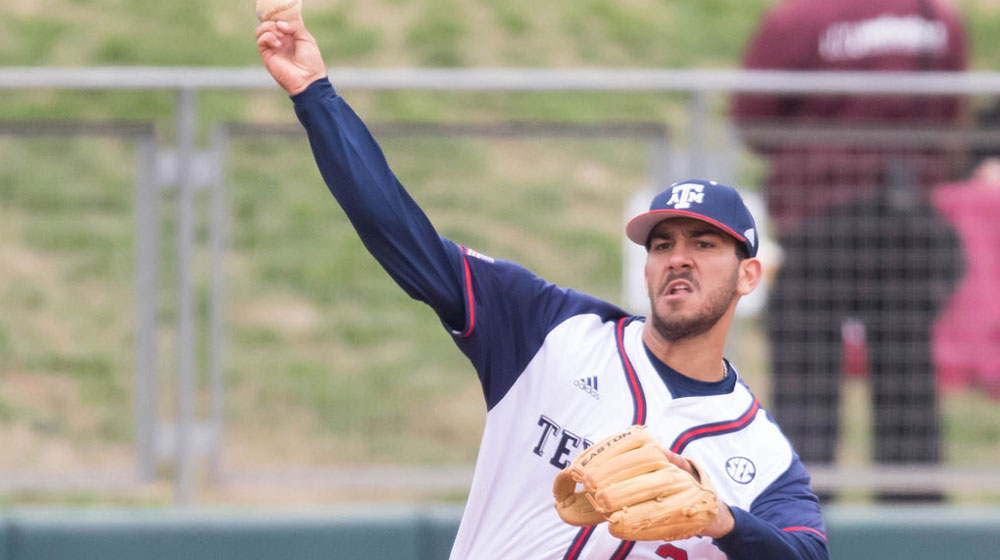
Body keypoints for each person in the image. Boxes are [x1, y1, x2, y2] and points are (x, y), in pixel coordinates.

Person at [256, 16, 829, 560]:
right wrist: (315, 95)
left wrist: (722, 520)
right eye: (662, 245)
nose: (678, 258)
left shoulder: (762, 453)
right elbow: (402, 235)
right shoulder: (549, 329)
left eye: (704, 245)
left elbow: (806, 551)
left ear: (747, 274)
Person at [731, 0, 968, 502]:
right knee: (907, 372)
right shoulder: (935, 18)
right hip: (908, 215)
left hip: (820, 211)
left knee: (805, 367)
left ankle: (801, 511)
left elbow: (751, 115)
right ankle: (916, 515)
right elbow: (951, 113)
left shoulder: (801, 17)